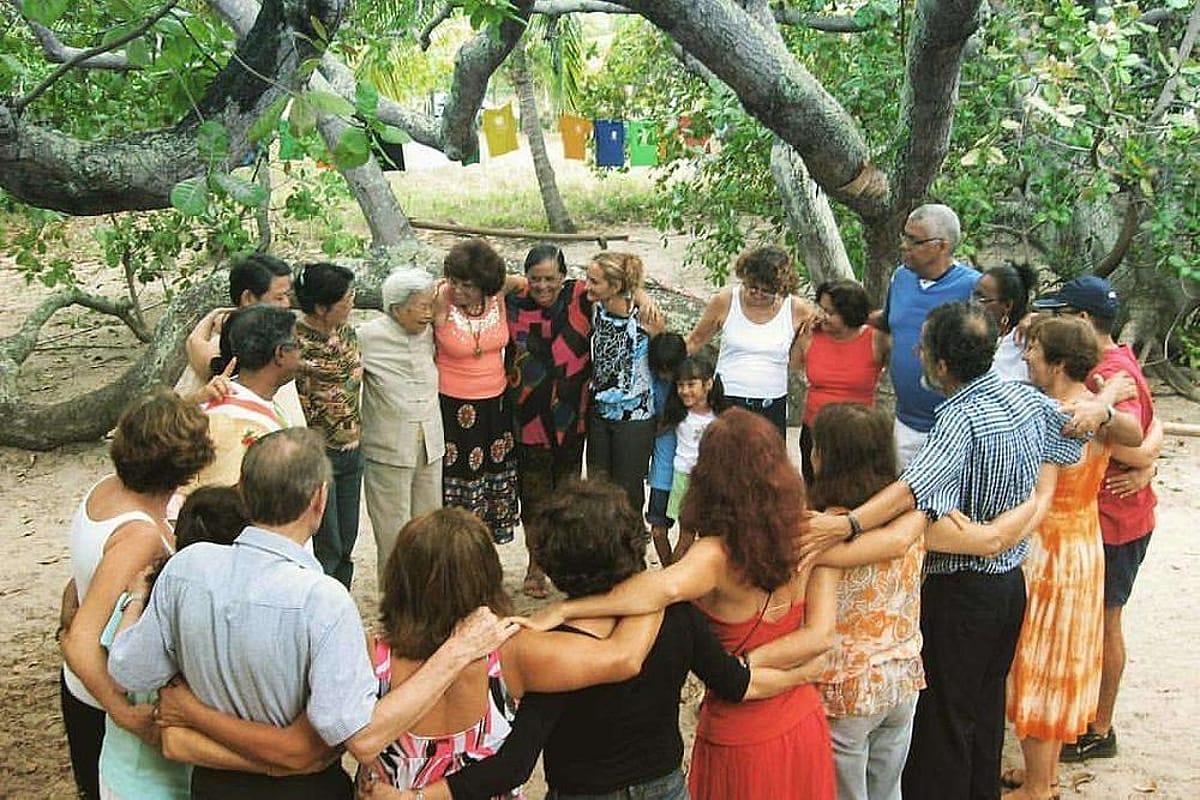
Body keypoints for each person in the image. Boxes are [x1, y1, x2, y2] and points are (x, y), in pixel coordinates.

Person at [108, 428, 518, 799]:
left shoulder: (187, 568)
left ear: (243, 492)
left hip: (212, 785)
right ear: (319, 500)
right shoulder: (322, 600)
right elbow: (356, 735)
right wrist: (456, 652)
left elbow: (130, 671)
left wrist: (137, 600)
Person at [804, 301, 1092, 800]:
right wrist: (1103, 408)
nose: (915, 353)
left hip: (961, 591)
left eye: (923, 347)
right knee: (984, 711)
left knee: (945, 726)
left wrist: (848, 523)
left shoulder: (960, 418)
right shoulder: (1024, 398)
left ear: (940, 364)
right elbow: (1075, 439)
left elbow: (912, 490)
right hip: (1008, 585)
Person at [377, 479, 823, 800]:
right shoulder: (677, 614)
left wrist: (421, 796)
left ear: (553, 563)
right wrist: (803, 673)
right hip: (664, 786)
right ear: (630, 543)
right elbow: (735, 683)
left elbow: (514, 765)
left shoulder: (553, 646)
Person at [527, 408, 841, 799]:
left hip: (741, 732)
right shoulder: (811, 532)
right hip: (803, 718)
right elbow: (821, 636)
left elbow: (655, 590)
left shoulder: (714, 555)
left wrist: (567, 609)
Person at [357, 504, 666, 794]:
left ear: (400, 578)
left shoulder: (371, 656)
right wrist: (657, 592)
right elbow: (623, 658)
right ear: (489, 574)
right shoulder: (515, 652)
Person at [1003, 316, 1143, 800]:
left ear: (1059, 363)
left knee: (1039, 663)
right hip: (1083, 543)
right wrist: (1106, 402)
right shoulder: (1093, 411)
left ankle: (1038, 787)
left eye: (1035, 349)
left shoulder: (1059, 413)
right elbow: (1137, 438)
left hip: (1050, 551)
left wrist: (1104, 405)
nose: (1026, 356)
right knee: (1064, 659)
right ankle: (1045, 775)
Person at [1031, 276, 1164, 763]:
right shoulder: (1115, 365)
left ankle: (1098, 727)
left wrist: (1144, 457)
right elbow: (1149, 429)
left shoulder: (1105, 374)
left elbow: (1132, 441)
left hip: (1112, 519)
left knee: (1104, 624)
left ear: (1082, 321)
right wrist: (1150, 453)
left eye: (1058, 315)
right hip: (1113, 513)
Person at [60, 390, 215, 799]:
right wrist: (125, 714)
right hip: (103, 701)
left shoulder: (103, 490)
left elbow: (80, 583)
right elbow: (80, 639)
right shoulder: (139, 535)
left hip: (82, 688)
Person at [805, 403, 927, 800]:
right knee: (889, 790)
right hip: (902, 675)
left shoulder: (825, 529)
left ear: (827, 457)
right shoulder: (909, 518)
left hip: (849, 687)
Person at [95, 487, 250, 799]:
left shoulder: (144, 594)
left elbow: (115, 666)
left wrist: (135, 598)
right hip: (171, 778)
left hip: (128, 775)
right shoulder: (233, 614)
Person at [505, 245, 592, 596]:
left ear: (564, 277)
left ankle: (566, 565)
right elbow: (481, 280)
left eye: (550, 279)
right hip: (527, 416)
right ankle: (535, 564)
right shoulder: (512, 300)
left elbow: (621, 283)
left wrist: (642, 294)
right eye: (535, 278)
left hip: (572, 414)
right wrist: (514, 281)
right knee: (533, 496)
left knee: (568, 494)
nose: (543, 286)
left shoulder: (580, 296)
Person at [874, 204, 980, 467]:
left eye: (914, 240)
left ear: (941, 246)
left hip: (953, 428)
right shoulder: (901, 278)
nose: (904, 246)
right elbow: (888, 321)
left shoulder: (974, 288)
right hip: (905, 423)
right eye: (904, 237)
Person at [359, 269, 443, 584]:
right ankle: (393, 599)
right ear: (396, 308)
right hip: (388, 447)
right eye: (422, 306)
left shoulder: (433, 332)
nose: (429, 313)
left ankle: (429, 596)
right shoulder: (366, 336)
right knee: (392, 530)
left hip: (430, 443)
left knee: (429, 525)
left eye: (431, 304)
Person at [435, 239, 521, 545]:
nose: (458, 290)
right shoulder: (441, 298)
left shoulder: (498, 294)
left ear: (485, 284)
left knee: (491, 477)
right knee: (458, 480)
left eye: (467, 285)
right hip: (453, 408)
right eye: (454, 281)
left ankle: (484, 549)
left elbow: (530, 284)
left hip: (494, 407)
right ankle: (456, 548)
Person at [686, 246, 818, 436]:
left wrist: (806, 338)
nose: (757, 294)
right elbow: (695, 341)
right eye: (752, 287)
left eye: (767, 291)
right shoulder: (725, 300)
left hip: (772, 400)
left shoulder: (798, 309)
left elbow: (797, 362)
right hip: (728, 397)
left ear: (781, 288)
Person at [294, 261, 364, 588]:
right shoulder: (295, 343)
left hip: (352, 446)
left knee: (348, 536)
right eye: (345, 299)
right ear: (321, 307)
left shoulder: (347, 333)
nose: (352, 302)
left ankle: (342, 596)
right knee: (327, 541)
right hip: (319, 453)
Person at [177, 253, 306, 427]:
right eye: (279, 297)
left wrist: (212, 315)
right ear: (248, 298)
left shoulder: (276, 336)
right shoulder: (223, 346)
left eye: (288, 296)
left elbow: (195, 342)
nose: (286, 304)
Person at [187, 304, 302, 492]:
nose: (301, 353)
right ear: (280, 353)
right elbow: (227, 498)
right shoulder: (235, 423)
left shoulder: (243, 396)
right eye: (298, 345)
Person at [585, 251, 665, 516]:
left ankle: (631, 540)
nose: (587, 286)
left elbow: (665, 362)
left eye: (594, 281)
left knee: (628, 493)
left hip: (635, 417)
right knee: (597, 492)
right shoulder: (596, 308)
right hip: (600, 412)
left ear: (615, 286)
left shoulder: (646, 317)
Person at [796, 279, 889, 484]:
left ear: (849, 313)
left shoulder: (877, 339)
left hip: (857, 433)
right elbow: (792, 364)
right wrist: (801, 332)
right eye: (821, 309)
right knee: (814, 488)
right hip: (815, 429)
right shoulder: (810, 334)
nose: (822, 316)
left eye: (829, 312)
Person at [659, 355, 729, 559]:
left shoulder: (721, 416)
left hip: (712, 481)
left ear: (708, 384)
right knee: (686, 539)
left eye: (691, 384)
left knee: (711, 538)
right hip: (684, 480)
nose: (684, 390)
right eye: (680, 385)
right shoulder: (679, 415)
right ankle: (675, 576)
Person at [647, 333, 687, 565]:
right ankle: (669, 570)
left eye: (668, 371)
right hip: (662, 474)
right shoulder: (650, 381)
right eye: (660, 370)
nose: (664, 376)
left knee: (688, 532)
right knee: (658, 530)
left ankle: (675, 576)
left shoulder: (689, 386)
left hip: (688, 472)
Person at [974, 263, 1038, 382]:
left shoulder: (1027, 340)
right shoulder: (971, 337)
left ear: (1007, 305)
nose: (973, 304)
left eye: (981, 298)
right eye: (973, 296)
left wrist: (1039, 318)